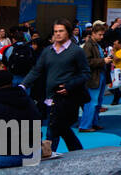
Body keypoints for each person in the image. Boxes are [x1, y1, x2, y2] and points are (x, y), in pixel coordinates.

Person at [19, 20, 89, 153]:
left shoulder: (76, 51)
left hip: (67, 98)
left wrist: (69, 86)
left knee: (53, 129)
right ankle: (78, 152)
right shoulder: (47, 51)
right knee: (60, 128)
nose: (57, 34)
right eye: (55, 31)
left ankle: (48, 159)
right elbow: (36, 70)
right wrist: (23, 85)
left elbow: (85, 74)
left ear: (68, 32)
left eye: (61, 31)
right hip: (50, 96)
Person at [78, 23, 110, 132]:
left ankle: (93, 123)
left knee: (97, 102)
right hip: (93, 77)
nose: (102, 37)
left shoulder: (95, 44)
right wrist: (103, 61)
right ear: (93, 34)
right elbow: (86, 62)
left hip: (99, 75)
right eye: (100, 34)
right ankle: (85, 125)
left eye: (102, 35)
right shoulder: (88, 45)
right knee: (92, 103)